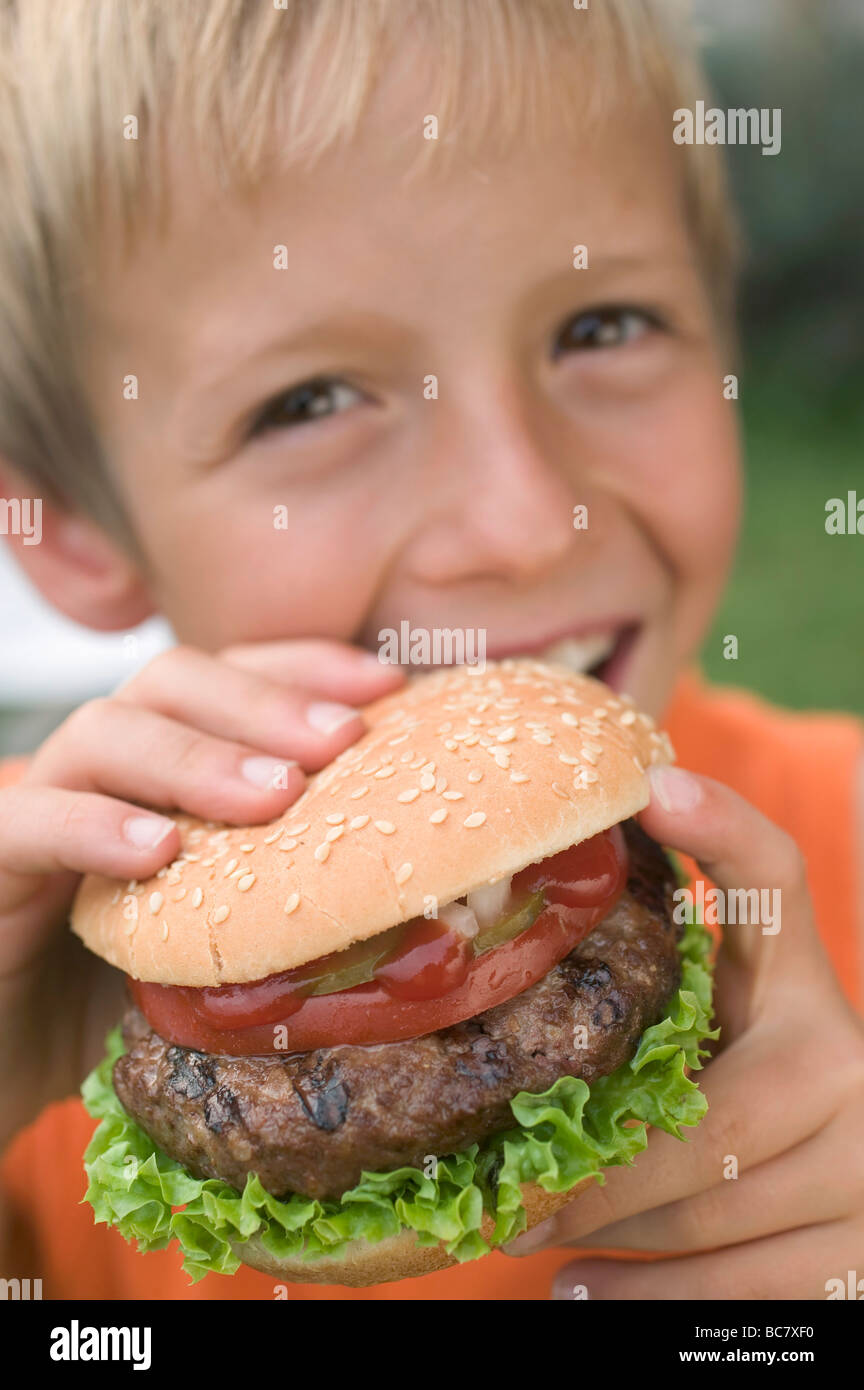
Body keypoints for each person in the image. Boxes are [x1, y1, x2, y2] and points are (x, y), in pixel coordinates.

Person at [0, 0, 861, 1302]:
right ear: (70, 536)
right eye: (310, 401)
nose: (521, 524)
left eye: (603, 326)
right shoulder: (46, 990)